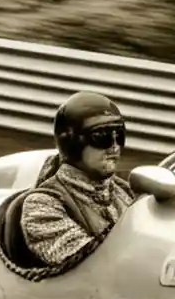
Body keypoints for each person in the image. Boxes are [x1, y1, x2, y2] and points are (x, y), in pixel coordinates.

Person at [21, 91, 136, 266]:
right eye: (101, 137)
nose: (114, 146)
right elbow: (93, 266)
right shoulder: (42, 205)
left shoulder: (126, 193)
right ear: (73, 143)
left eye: (119, 135)